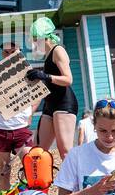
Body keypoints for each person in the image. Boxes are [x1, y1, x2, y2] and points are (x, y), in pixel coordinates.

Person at [0, 43, 35, 191]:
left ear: (20, 53)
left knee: (32, 165)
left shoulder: (29, 73)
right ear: (2, 54)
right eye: (6, 52)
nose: (9, 55)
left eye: (13, 51)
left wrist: (31, 113)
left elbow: (38, 94)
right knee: (4, 170)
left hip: (21, 128)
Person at [24, 16, 78, 160]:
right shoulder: (48, 55)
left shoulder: (58, 51)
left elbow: (68, 79)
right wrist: (30, 112)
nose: (34, 43)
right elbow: (44, 88)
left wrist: (45, 76)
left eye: (36, 39)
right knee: (38, 150)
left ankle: (74, 181)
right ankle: (39, 181)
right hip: (50, 103)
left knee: (65, 151)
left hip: (64, 103)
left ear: (44, 37)